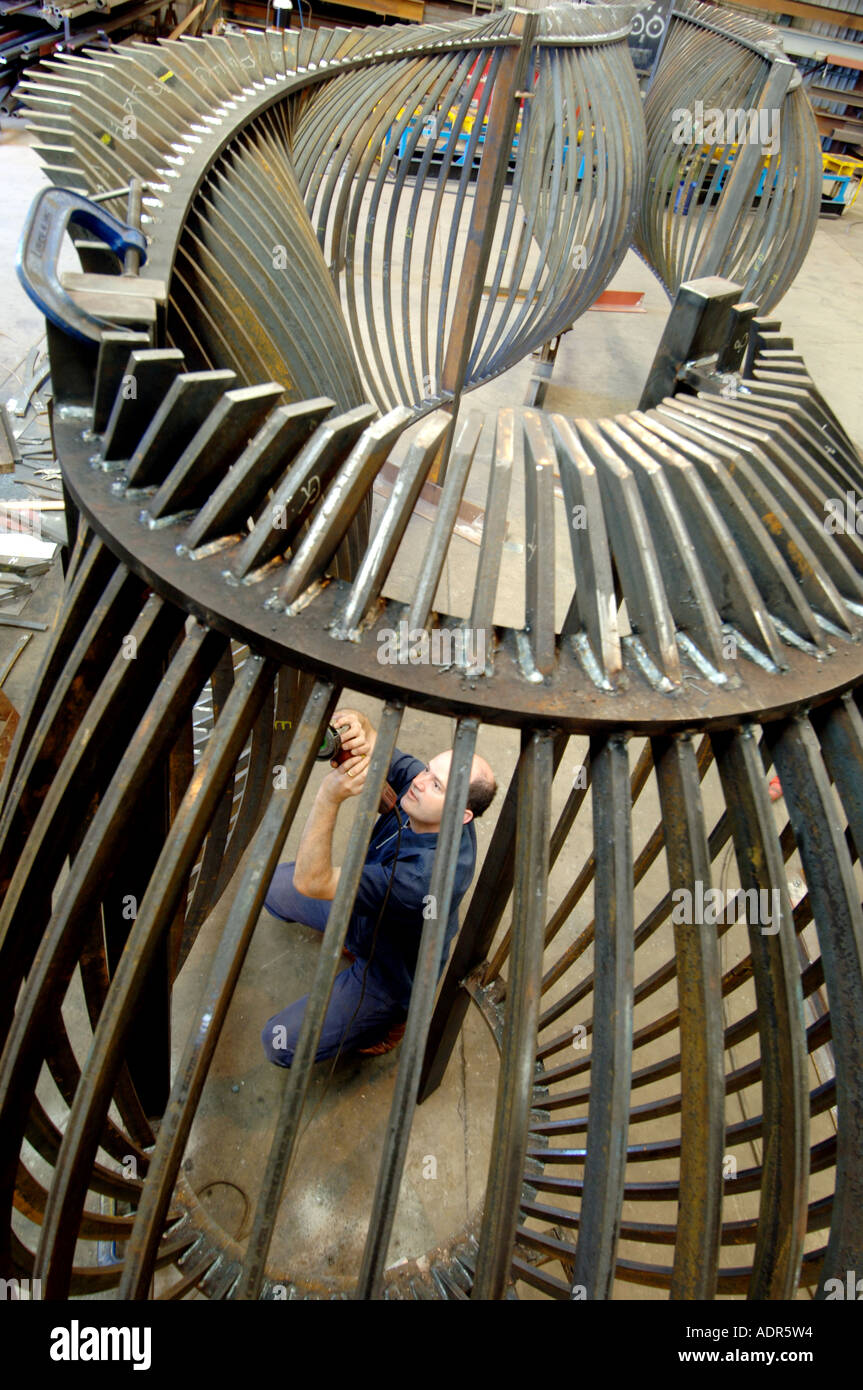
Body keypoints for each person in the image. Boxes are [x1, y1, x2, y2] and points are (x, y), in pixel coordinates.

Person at [261, 708, 496, 1067]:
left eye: (437, 785)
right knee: (270, 886)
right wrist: (359, 726)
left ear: (462, 816)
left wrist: (329, 797)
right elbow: (378, 743)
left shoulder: (424, 880)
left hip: (388, 969)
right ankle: (352, 942)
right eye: (429, 770)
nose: (419, 781)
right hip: (363, 914)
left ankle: (390, 1022)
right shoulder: (424, 795)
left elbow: (313, 881)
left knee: (278, 1043)